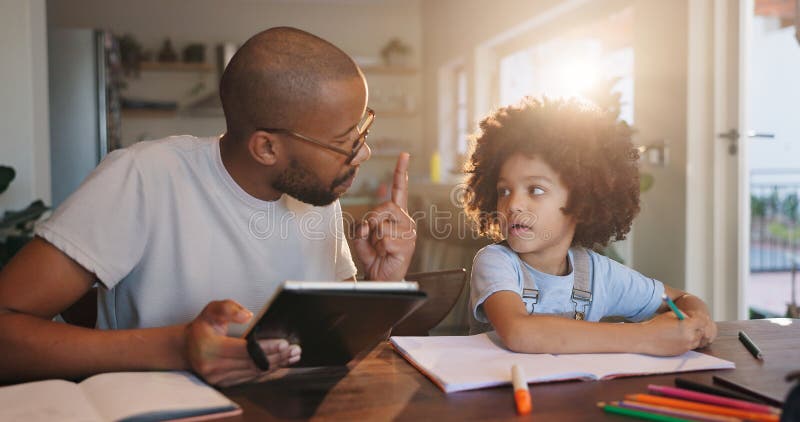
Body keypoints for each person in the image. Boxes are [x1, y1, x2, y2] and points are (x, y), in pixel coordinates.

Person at [0, 27, 416, 387]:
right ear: (267, 148)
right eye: (345, 142)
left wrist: (383, 286)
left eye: (362, 130)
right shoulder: (143, 178)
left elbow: (334, 348)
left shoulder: (314, 194)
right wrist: (177, 348)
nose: (364, 154)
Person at [462, 97, 717, 356]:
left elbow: (681, 299)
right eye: (504, 191)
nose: (513, 204)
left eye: (535, 190)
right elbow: (520, 333)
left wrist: (699, 320)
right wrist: (646, 337)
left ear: (581, 201)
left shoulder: (598, 274)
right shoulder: (496, 262)